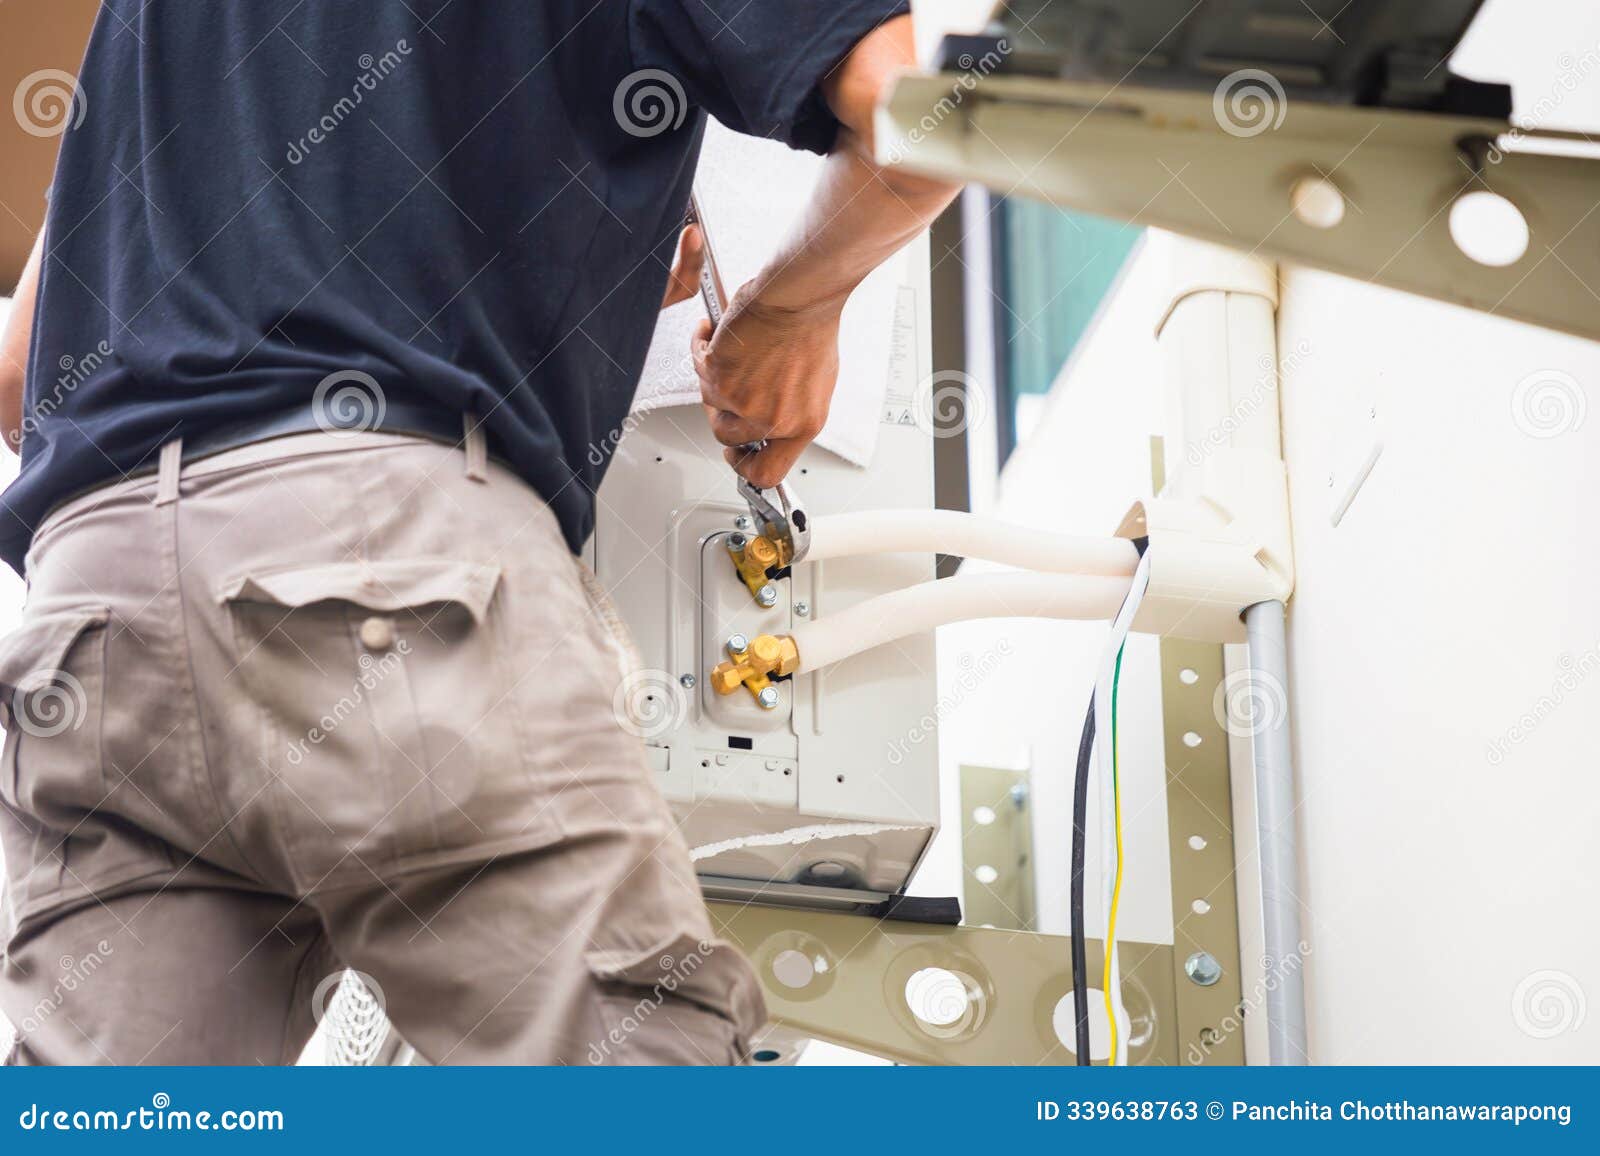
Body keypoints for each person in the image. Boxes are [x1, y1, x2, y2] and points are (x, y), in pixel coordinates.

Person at [0, 1, 959, 1065]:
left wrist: (540, 269)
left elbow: (18, 373)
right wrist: (790, 313)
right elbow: (927, 111)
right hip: (382, 557)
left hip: (90, 616)